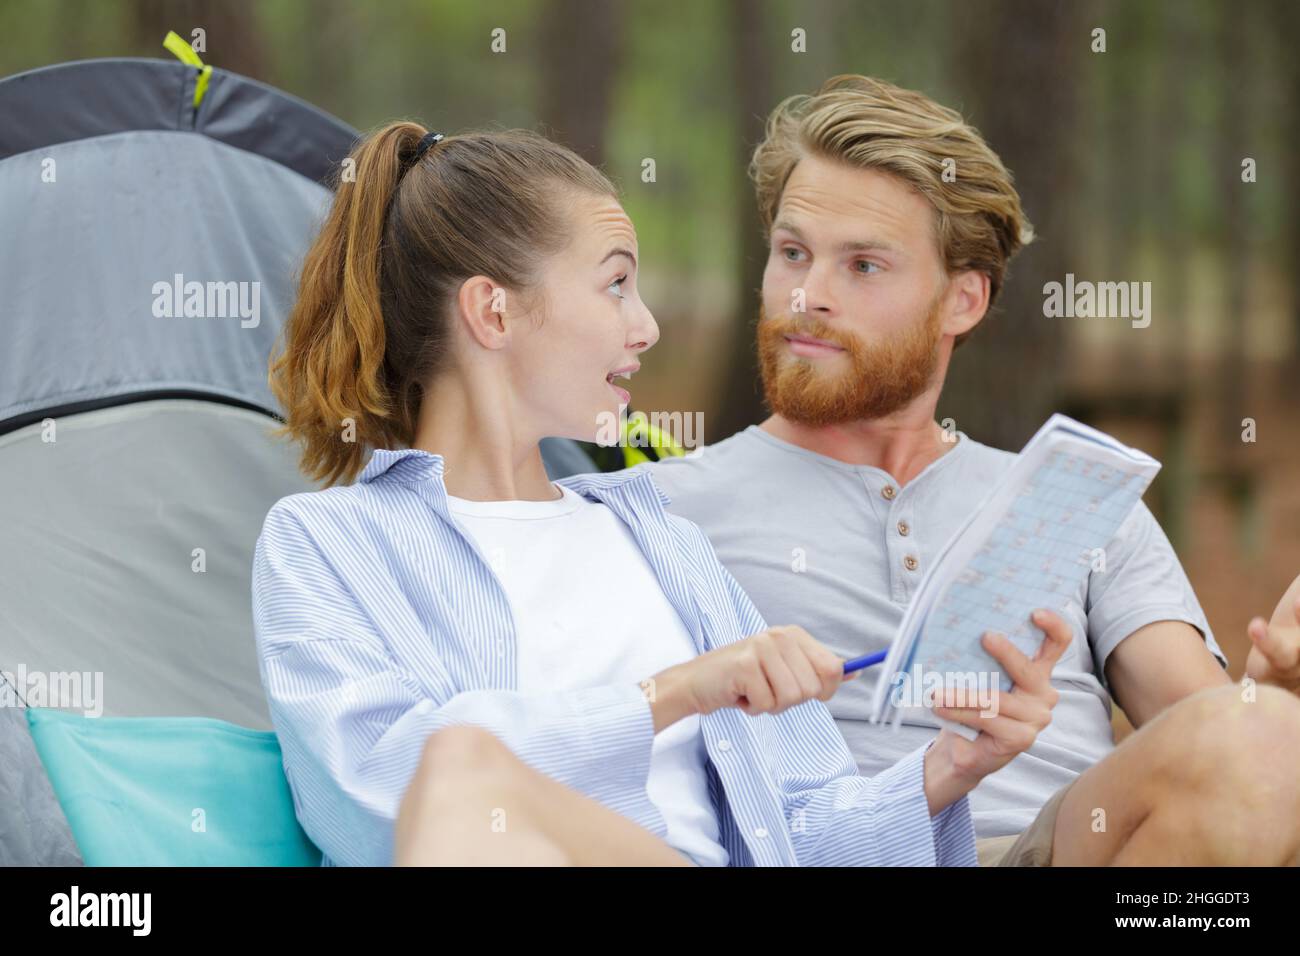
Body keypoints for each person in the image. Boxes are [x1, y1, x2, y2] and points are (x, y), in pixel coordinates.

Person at [250, 122, 1071, 867]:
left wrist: (946, 769)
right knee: (465, 770)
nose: (644, 327)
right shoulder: (327, 542)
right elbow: (377, 799)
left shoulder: (657, 539)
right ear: (491, 312)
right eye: (615, 285)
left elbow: (801, 836)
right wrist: (679, 691)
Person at [637, 75, 1300, 865]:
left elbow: (1215, 747)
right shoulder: (664, 509)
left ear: (963, 301)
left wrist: (1276, 698)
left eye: (864, 266)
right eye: (793, 253)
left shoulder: (1079, 500)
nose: (807, 295)